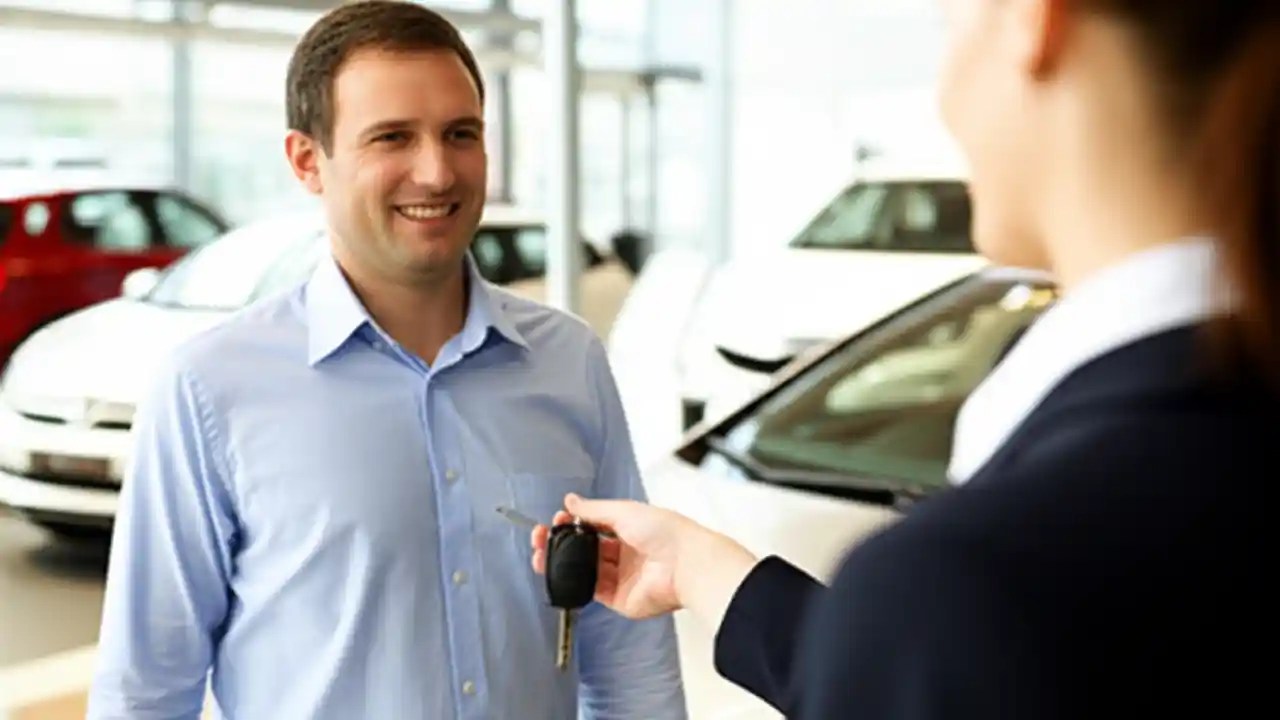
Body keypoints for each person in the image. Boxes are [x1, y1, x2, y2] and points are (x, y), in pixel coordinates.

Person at [534, 1, 1276, 718]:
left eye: (947, 26)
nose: (945, 96)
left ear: (1032, 18)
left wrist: (892, 621)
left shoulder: (975, 590)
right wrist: (700, 567)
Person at [87, 2, 686, 718]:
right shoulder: (210, 389)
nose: (435, 172)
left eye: (460, 134)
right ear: (308, 161)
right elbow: (145, 690)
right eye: (392, 138)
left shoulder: (570, 363)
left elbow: (628, 663)